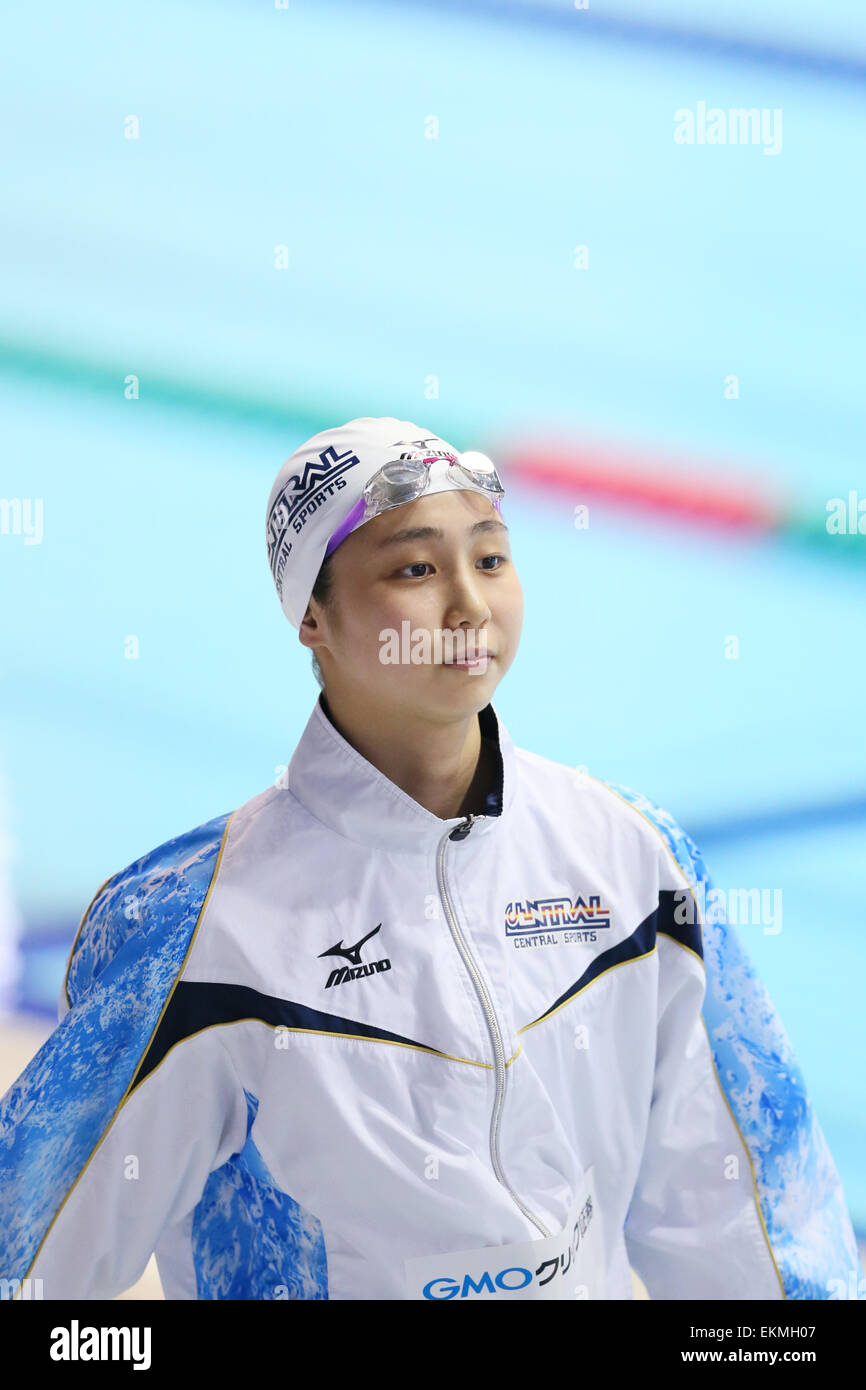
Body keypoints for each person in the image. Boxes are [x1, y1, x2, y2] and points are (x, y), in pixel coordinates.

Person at [0, 416, 860, 1301]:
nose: (470, 606)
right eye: (416, 569)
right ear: (312, 617)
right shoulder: (199, 933)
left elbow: (752, 1239)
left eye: (489, 559)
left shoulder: (632, 862)